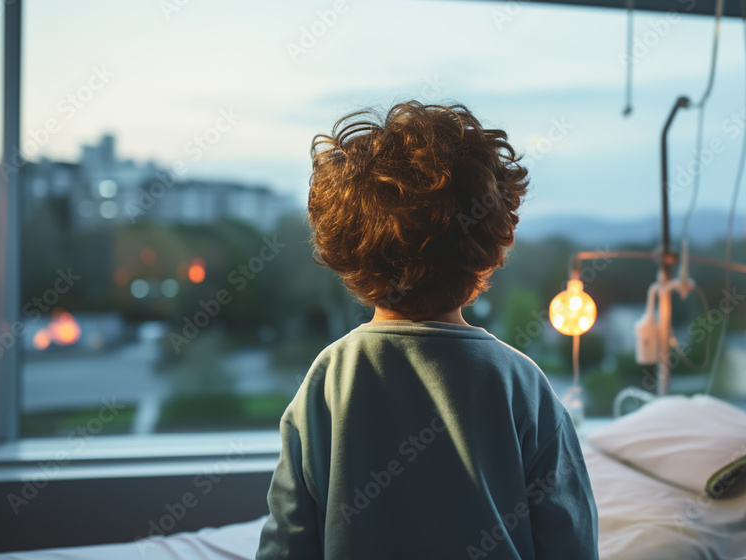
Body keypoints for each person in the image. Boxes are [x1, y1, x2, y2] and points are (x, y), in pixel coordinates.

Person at [256, 100, 599, 559]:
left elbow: (286, 543)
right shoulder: (521, 384)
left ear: (347, 254)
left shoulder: (328, 380)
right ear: (490, 250)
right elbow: (571, 543)